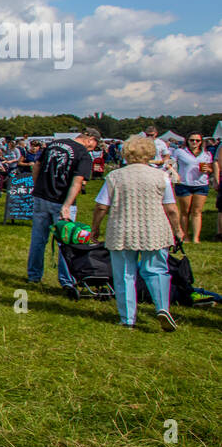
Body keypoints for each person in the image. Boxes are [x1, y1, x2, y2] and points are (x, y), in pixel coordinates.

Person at [89, 136, 185, 330]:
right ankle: (162, 308)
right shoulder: (161, 176)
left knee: (124, 274)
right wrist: (178, 230)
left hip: (122, 230)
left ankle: (127, 318)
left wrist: (95, 228)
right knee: (156, 270)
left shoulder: (115, 176)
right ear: (150, 153)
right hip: (155, 230)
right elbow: (171, 208)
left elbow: (101, 206)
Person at [27, 127, 100, 294]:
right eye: (94, 146)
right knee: (66, 242)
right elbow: (77, 182)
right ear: (90, 139)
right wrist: (67, 206)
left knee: (38, 239)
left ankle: (34, 275)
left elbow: (36, 166)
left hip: (41, 197)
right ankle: (66, 280)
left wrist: (38, 186)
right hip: (61, 201)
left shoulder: (54, 145)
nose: (93, 149)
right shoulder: (83, 154)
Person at [172, 132, 212, 244]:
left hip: (201, 184)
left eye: (197, 140)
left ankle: (196, 238)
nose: (194, 142)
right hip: (184, 183)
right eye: (192, 140)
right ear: (187, 141)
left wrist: (208, 170)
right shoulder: (179, 152)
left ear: (201, 142)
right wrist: (174, 174)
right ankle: (185, 236)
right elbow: (171, 164)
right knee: (185, 212)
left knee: (197, 211)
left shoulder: (206, 154)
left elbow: (210, 168)